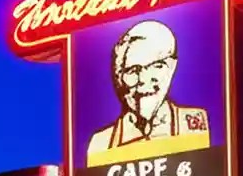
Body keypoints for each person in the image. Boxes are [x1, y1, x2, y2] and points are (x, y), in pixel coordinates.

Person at [86, 20, 210, 166]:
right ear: (120, 77)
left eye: (157, 66)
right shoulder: (101, 143)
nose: (144, 80)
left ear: (171, 69)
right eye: (133, 70)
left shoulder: (194, 123)